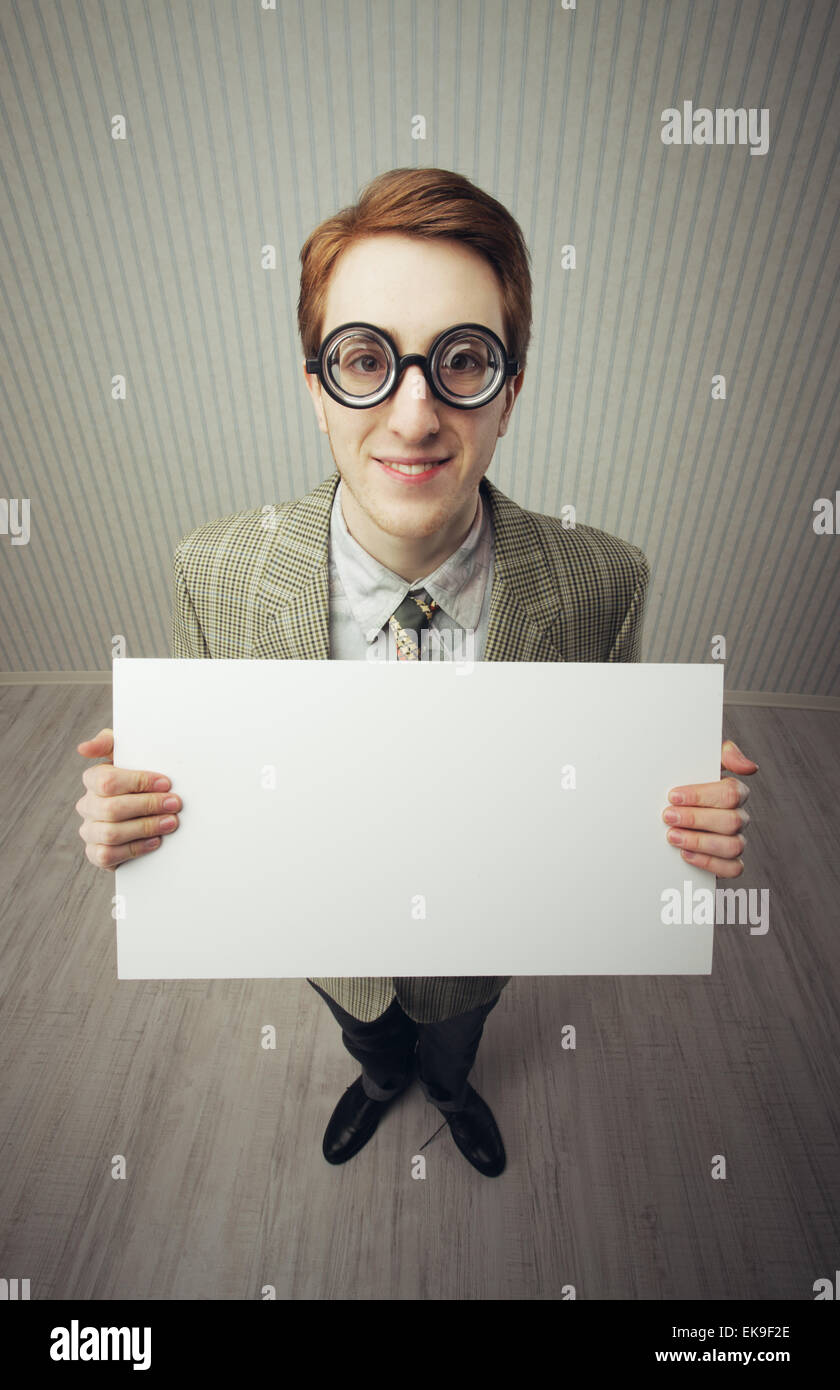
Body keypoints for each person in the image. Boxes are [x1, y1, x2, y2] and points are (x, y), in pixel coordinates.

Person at [76, 168, 758, 1180]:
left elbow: (589, 787)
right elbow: (205, 786)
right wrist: (137, 817)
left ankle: (447, 1086)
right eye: (364, 359)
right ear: (315, 388)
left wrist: (668, 808)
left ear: (509, 393)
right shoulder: (212, 570)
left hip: (477, 957)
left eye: (463, 361)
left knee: (453, 1041)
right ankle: (379, 1077)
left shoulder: (604, 580)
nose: (412, 415)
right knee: (371, 1035)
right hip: (332, 951)